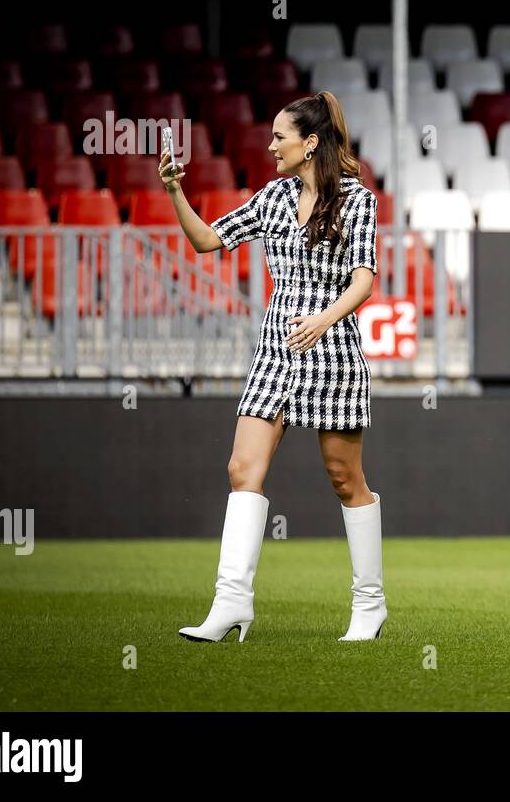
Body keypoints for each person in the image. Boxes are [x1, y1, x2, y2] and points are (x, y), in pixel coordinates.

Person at [160, 90, 387, 643]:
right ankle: (231, 603)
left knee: (344, 478)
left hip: (331, 349)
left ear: (310, 143)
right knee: (243, 469)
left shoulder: (357, 199)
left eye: (280, 137)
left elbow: (365, 278)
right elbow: (207, 240)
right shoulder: (272, 198)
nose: (271, 146)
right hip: (274, 351)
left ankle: (369, 604)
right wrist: (174, 190)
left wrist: (324, 319)